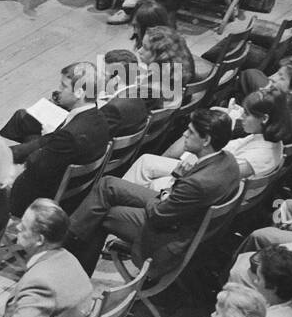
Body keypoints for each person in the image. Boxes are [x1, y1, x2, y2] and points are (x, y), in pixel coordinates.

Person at [66, 107, 241, 281]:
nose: (185, 134)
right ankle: (68, 238)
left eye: (190, 132)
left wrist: (166, 193)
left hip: (168, 235)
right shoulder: (228, 161)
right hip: (179, 215)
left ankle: (74, 267)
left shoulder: (198, 183)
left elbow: (158, 214)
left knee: (101, 215)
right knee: (108, 184)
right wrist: (171, 188)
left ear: (206, 140)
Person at [122, 88, 287, 194]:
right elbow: (228, 151)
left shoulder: (262, 154)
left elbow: (220, 177)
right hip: (205, 172)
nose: (242, 117)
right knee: (146, 161)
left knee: (153, 183)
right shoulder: (263, 137)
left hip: (206, 186)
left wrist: (191, 167)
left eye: (248, 114)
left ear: (264, 118)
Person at [4, 61, 111, 217]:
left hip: (33, 198)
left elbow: (34, 164)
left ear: (79, 93)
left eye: (63, 86)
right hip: (73, 191)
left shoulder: (70, 135)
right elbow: (49, 141)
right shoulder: (99, 118)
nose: (58, 90)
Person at [0, 200, 95, 317]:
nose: (18, 227)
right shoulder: (69, 259)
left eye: (24, 226)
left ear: (40, 239)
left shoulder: (40, 282)